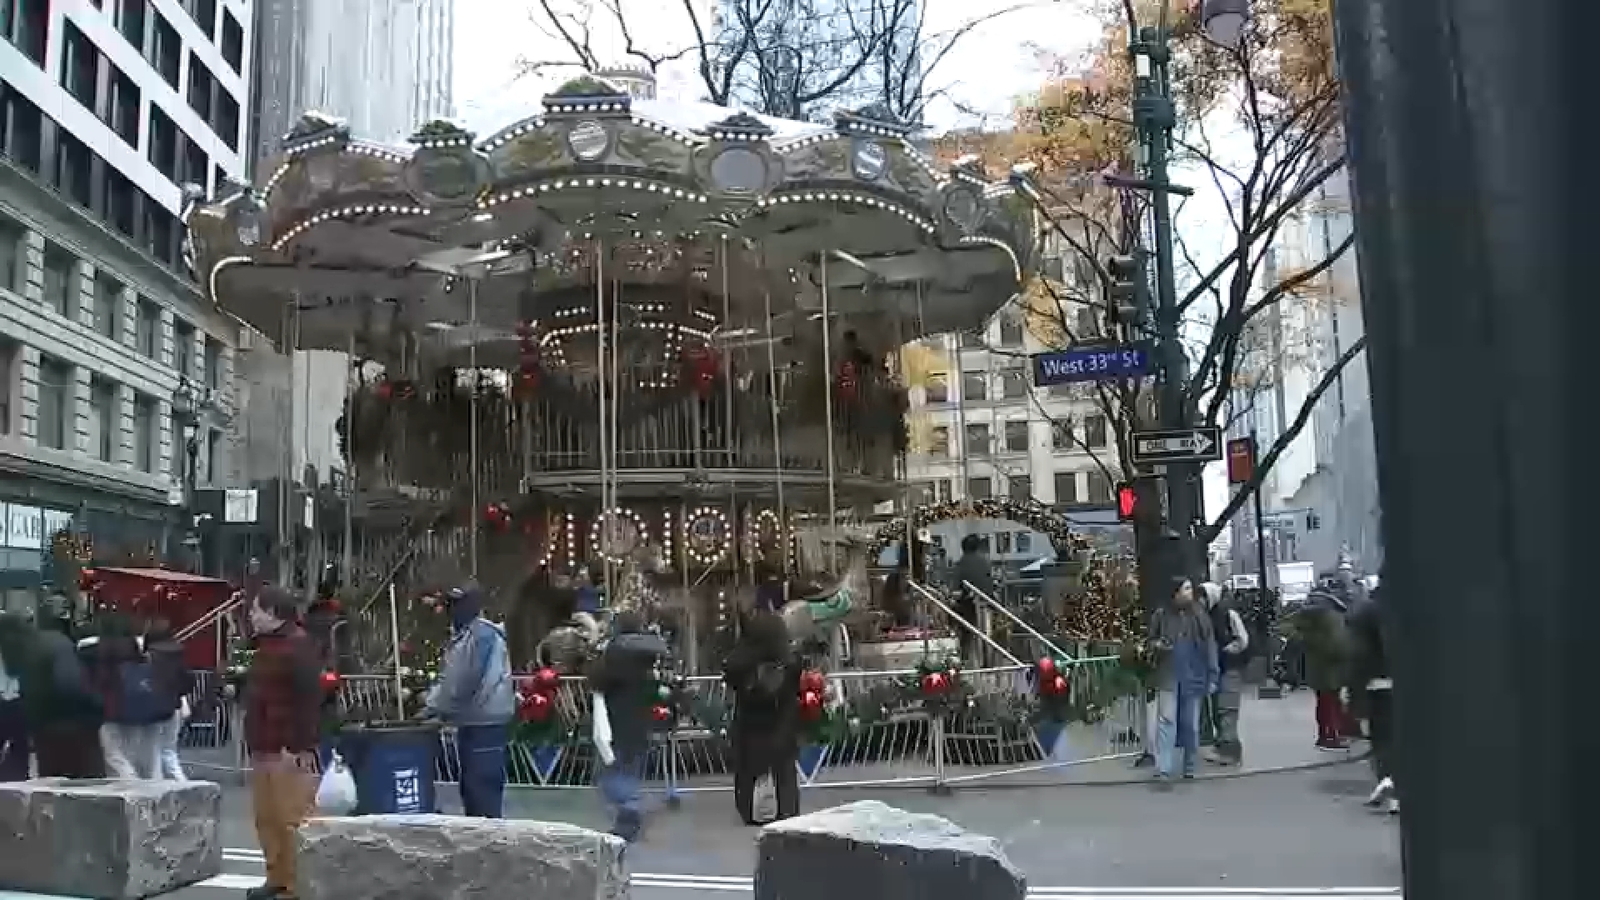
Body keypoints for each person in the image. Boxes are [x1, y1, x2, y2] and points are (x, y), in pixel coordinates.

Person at [244, 586, 324, 900]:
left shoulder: (298, 647)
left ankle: (296, 885)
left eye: (256, 610)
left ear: (274, 613)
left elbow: (309, 701)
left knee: (293, 820)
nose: (251, 616)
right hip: (264, 744)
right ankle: (276, 876)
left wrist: (302, 746)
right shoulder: (268, 645)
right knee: (267, 818)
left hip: (287, 747)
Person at [423, 582, 515, 818]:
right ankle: (484, 834)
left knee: (480, 787)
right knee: (476, 785)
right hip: (479, 719)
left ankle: (487, 839)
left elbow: (462, 682)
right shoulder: (471, 634)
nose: (450, 611)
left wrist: (433, 706)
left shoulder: (479, 636)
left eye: (455, 604)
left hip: (483, 720)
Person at [588, 609, 668, 843]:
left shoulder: (614, 654)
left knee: (610, 775)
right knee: (630, 770)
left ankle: (633, 807)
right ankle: (629, 819)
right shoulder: (647, 658)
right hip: (639, 721)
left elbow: (598, 679)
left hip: (616, 719)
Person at [722, 611, 802, 825]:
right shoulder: (788, 662)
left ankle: (751, 808)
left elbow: (731, 677)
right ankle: (785, 808)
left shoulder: (741, 661)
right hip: (779, 724)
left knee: (750, 769)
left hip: (750, 726)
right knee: (782, 769)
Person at [1149, 578, 1219, 784]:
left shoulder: (1199, 616)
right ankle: (1164, 769)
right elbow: (1150, 640)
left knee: (1191, 725)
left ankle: (1189, 766)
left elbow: (1210, 646)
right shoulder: (1161, 616)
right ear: (1175, 593)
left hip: (1193, 676)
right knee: (1166, 722)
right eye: (1186, 589)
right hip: (1168, 675)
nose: (1190, 593)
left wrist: (1212, 675)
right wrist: (1158, 645)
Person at [21, 613, 104, 777]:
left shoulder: (33, 648)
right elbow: (70, 685)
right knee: (81, 774)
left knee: (52, 775)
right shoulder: (63, 647)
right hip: (72, 721)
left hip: (46, 722)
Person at [90, 615, 173, 778]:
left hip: (113, 707)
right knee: (142, 753)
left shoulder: (104, 648)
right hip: (137, 705)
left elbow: (101, 678)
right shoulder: (133, 646)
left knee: (113, 753)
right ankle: (151, 787)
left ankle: (131, 783)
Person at [1346, 583, 1397, 815]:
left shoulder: (1366, 613)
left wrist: (1353, 690)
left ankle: (1389, 779)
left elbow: (1358, 655)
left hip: (1377, 683)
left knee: (1382, 737)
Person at [1283, 582, 1353, 749]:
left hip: (1317, 666)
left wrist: (1308, 641)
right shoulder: (1330, 615)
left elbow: (1286, 628)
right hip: (1331, 667)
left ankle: (1325, 735)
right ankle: (1331, 737)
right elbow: (1339, 644)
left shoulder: (1306, 614)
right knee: (1331, 703)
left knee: (1324, 702)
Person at [1202, 583, 1251, 765]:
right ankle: (1223, 745)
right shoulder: (1207, 616)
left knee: (1227, 708)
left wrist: (1231, 648)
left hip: (1230, 667)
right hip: (1218, 667)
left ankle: (1231, 750)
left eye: (1204, 597)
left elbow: (1242, 638)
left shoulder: (1228, 614)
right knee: (1218, 708)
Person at [145, 620, 194, 781]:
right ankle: (181, 782)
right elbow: (187, 682)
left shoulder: (148, 656)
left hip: (153, 707)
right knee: (169, 750)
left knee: (153, 751)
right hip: (174, 706)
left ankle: (156, 787)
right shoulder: (178, 654)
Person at [950, 535, 993, 663]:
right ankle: (987, 660)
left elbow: (955, 587)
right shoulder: (985, 562)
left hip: (967, 603)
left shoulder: (961, 564)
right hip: (986, 601)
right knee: (987, 633)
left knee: (966, 632)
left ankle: (965, 658)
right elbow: (989, 583)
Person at [0, 614, 33, 781]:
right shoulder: (24, 647)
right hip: (20, 703)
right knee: (20, 750)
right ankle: (18, 786)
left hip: (1, 703)